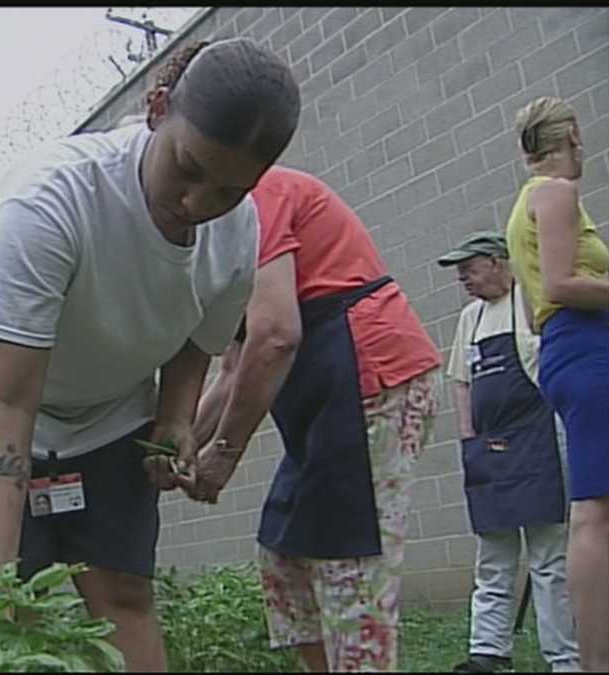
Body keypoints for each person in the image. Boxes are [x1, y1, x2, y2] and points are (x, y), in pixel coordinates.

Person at [0, 38, 301, 672]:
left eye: (230, 190)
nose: (198, 204)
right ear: (156, 109)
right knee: (8, 606)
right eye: (190, 168)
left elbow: (196, 337)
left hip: (109, 406)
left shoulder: (238, 229)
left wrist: (175, 419)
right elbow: (8, 400)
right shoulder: (51, 200)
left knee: (123, 591)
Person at [181, 133, 441, 670]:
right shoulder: (215, 234)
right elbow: (233, 368)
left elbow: (275, 335)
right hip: (325, 395)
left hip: (371, 376)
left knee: (349, 564)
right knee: (286, 557)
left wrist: (223, 455)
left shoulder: (256, 196)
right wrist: (178, 445)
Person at [436, 231, 580, 673]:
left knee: (549, 559)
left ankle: (564, 658)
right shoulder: (470, 318)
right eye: (459, 271)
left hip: (538, 440)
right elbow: (460, 380)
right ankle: (488, 651)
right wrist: (468, 437)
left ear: (499, 262)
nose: (463, 277)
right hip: (488, 447)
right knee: (493, 555)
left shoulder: (534, 301)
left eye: (470, 267)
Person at [505, 96, 609, 673]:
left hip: (565, 349)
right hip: (588, 345)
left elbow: (531, 308)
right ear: (569, 135)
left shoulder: (524, 203)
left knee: (603, 507)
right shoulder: (556, 193)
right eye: (580, 135)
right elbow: (563, 283)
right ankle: (596, 661)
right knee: (596, 510)